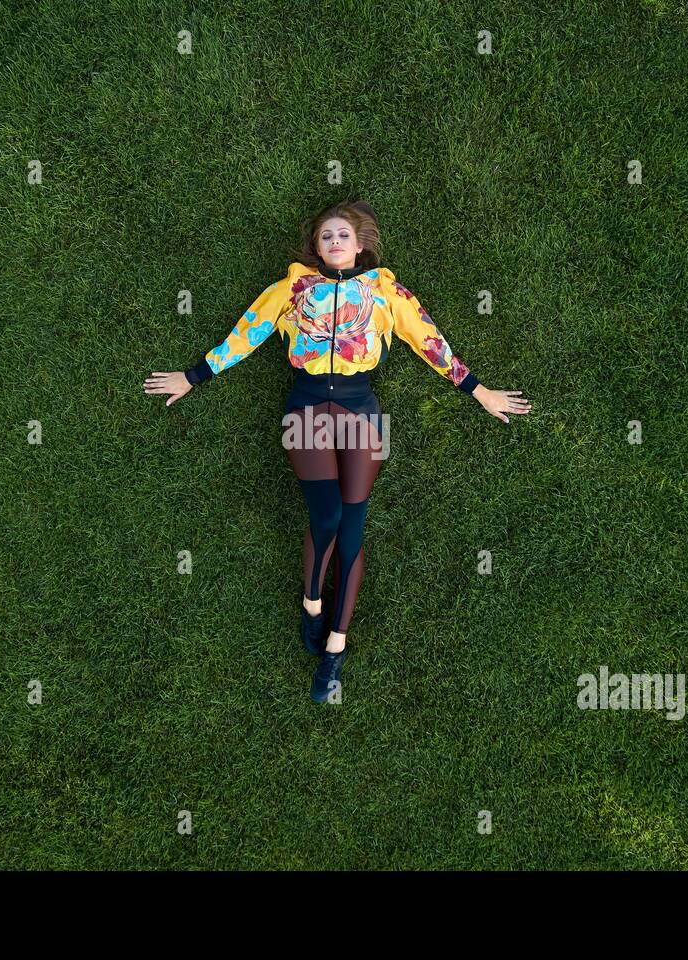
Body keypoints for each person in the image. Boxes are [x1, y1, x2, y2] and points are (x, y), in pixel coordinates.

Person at [145, 200, 532, 702]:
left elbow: (429, 341)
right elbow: (248, 333)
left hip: (362, 415)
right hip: (305, 411)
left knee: (353, 524)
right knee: (325, 518)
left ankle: (335, 647)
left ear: (361, 245)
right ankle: (311, 602)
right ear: (316, 246)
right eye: (326, 236)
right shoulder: (291, 288)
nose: (333, 242)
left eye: (342, 236)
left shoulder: (384, 291)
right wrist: (194, 375)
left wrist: (479, 391)